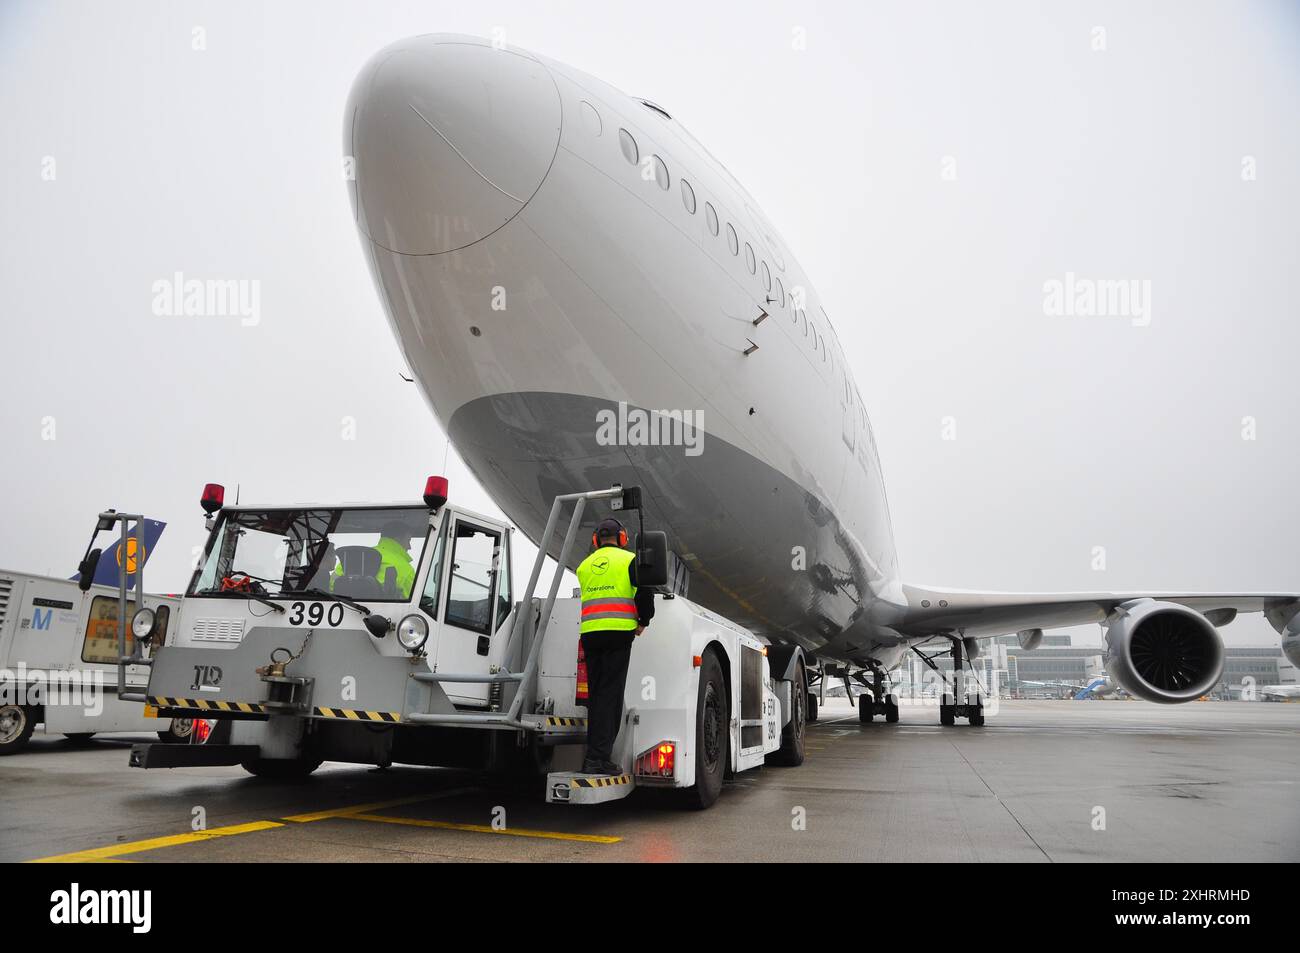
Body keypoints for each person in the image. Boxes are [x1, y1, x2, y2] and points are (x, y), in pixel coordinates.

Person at [575, 517, 655, 775]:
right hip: (618, 634)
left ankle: (594, 754)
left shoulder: (584, 566)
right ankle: (598, 758)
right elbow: (644, 591)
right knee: (610, 696)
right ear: (622, 539)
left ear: (596, 540)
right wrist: (644, 620)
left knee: (597, 695)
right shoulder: (630, 561)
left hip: (590, 634)